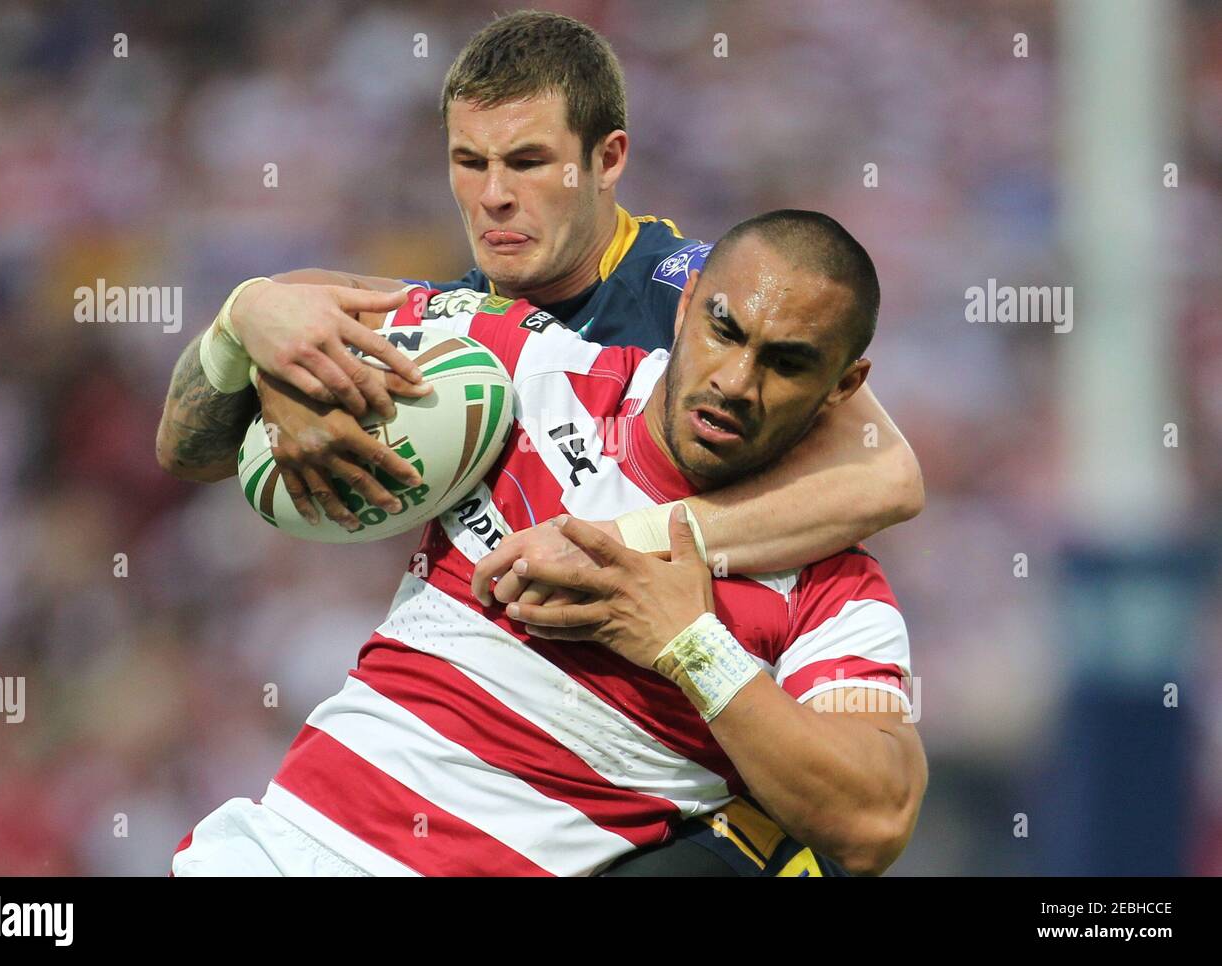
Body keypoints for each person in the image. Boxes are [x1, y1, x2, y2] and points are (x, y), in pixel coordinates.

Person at [155, 10, 923, 875]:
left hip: (652, 781)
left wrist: (642, 562)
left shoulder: (689, 290)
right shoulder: (503, 339)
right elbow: (197, 441)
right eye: (468, 163)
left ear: (609, 161)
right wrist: (247, 323)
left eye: (525, 163)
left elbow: (889, 476)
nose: (492, 197)